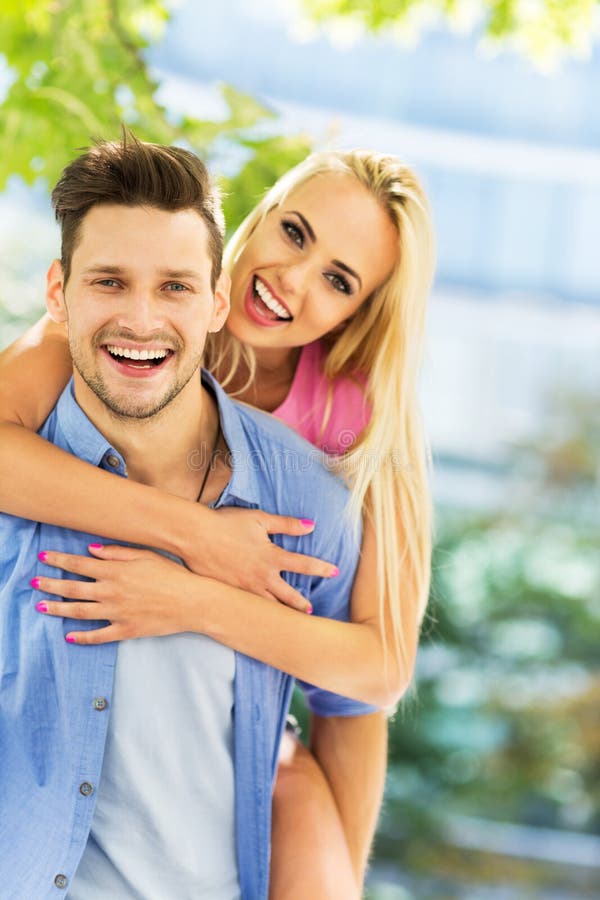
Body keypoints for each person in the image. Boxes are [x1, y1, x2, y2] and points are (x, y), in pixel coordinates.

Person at [0, 138, 435, 894]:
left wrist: (194, 600)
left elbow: (374, 677)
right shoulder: (104, 329)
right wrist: (195, 533)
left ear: (359, 314)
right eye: (294, 233)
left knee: (292, 788)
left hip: (261, 719)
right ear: (262, 215)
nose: (292, 280)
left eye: (338, 280)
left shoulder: (350, 429)